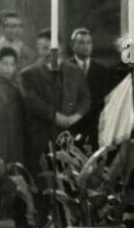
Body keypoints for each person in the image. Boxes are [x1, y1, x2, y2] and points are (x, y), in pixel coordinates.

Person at [19, 43, 91, 172]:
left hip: (70, 134)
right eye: (44, 48)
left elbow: (85, 98)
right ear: (39, 50)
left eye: (51, 48)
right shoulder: (28, 74)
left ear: (60, 49)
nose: (48, 52)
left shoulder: (74, 70)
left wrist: (77, 116)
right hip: (43, 135)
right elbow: (31, 101)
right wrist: (55, 117)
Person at [66, 28, 120, 146]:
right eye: (81, 42)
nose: (86, 46)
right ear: (72, 45)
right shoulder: (65, 69)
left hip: (94, 124)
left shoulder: (102, 71)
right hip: (72, 122)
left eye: (88, 42)